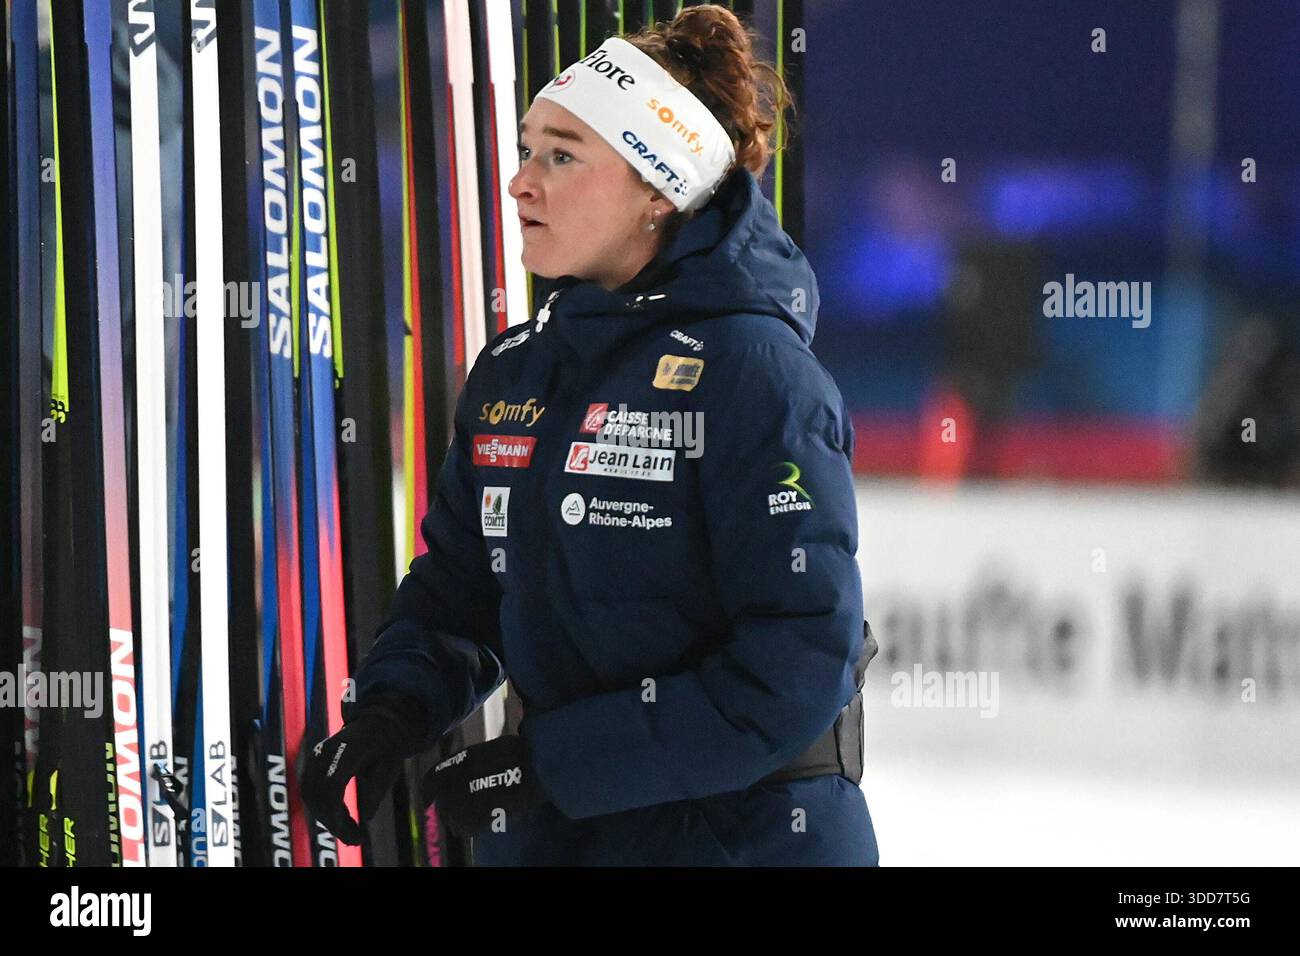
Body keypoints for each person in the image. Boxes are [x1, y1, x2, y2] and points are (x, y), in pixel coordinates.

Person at [301, 4, 880, 866]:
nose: (521, 183)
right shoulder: (517, 369)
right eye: (526, 150)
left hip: (742, 843)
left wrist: (551, 766)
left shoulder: (756, 375)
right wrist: (392, 710)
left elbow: (794, 664)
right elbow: (463, 591)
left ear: (658, 191)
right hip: (559, 840)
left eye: (562, 156)